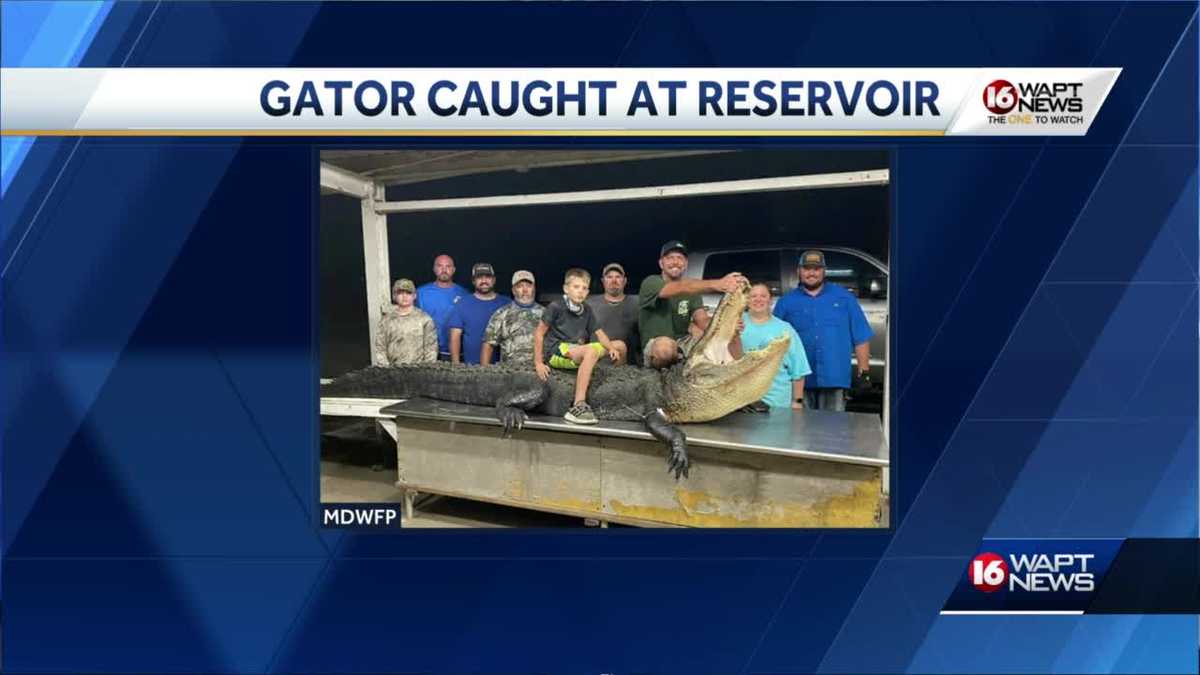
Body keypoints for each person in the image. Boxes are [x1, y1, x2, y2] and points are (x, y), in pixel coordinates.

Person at [773, 250, 873, 411]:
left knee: (832, 433)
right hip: (798, 381)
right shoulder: (785, 302)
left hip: (835, 378)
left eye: (816, 268)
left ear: (824, 271)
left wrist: (864, 373)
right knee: (799, 432)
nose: (811, 273)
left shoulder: (845, 298)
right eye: (806, 268)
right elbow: (774, 341)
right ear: (799, 271)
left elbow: (861, 336)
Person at [533, 268, 622, 425]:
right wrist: (539, 363)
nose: (580, 291)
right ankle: (578, 404)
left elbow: (600, 333)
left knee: (619, 345)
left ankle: (617, 384)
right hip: (557, 351)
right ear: (566, 288)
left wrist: (611, 349)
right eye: (576, 287)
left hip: (576, 349)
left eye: (584, 288)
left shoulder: (586, 309)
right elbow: (539, 334)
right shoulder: (555, 307)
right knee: (591, 350)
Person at [638, 240, 745, 369]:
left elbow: (702, 321)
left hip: (682, 344)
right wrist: (717, 284)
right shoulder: (650, 282)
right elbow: (680, 287)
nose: (675, 262)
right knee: (665, 348)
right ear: (661, 263)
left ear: (686, 264)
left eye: (680, 258)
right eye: (670, 258)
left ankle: (740, 371)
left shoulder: (693, 291)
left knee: (726, 339)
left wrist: (727, 324)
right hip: (656, 345)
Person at [741, 283, 811, 409]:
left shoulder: (785, 329)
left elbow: (799, 369)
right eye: (753, 296)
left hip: (777, 403)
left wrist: (797, 401)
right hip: (740, 402)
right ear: (746, 300)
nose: (758, 299)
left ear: (771, 300)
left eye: (763, 296)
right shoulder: (735, 324)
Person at [447, 263, 510, 365]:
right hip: (471, 367)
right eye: (479, 277)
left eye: (488, 277)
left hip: (502, 367)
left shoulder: (506, 303)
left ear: (494, 280)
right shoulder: (463, 304)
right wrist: (456, 365)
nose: (484, 281)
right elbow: (455, 336)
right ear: (473, 281)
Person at [481, 270, 544, 367]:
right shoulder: (501, 314)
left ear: (534, 288)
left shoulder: (546, 314)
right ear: (513, 290)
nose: (525, 290)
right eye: (519, 286)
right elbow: (488, 344)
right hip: (509, 375)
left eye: (528, 286)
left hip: (539, 374)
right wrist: (483, 372)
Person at [415, 254, 469, 361]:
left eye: (448, 266)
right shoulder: (421, 293)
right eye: (440, 266)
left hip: (456, 353)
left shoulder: (464, 294)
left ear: (453, 270)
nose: (444, 270)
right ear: (434, 269)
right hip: (428, 352)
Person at [374, 278, 439, 366]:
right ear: (394, 296)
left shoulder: (425, 319)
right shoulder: (386, 320)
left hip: (418, 372)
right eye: (400, 293)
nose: (404, 296)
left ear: (414, 296)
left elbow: (431, 349)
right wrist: (385, 369)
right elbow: (380, 347)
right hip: (393, 371)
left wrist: (426, 371)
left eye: (408, 293)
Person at [585, 262, 639, 365]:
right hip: (596, 362)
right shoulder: (589, 304)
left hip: (627, 366)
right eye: (609, 277)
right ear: (603, 281)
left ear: (625, 281)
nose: (614, 280)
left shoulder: (636, 303)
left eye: (618, 277)